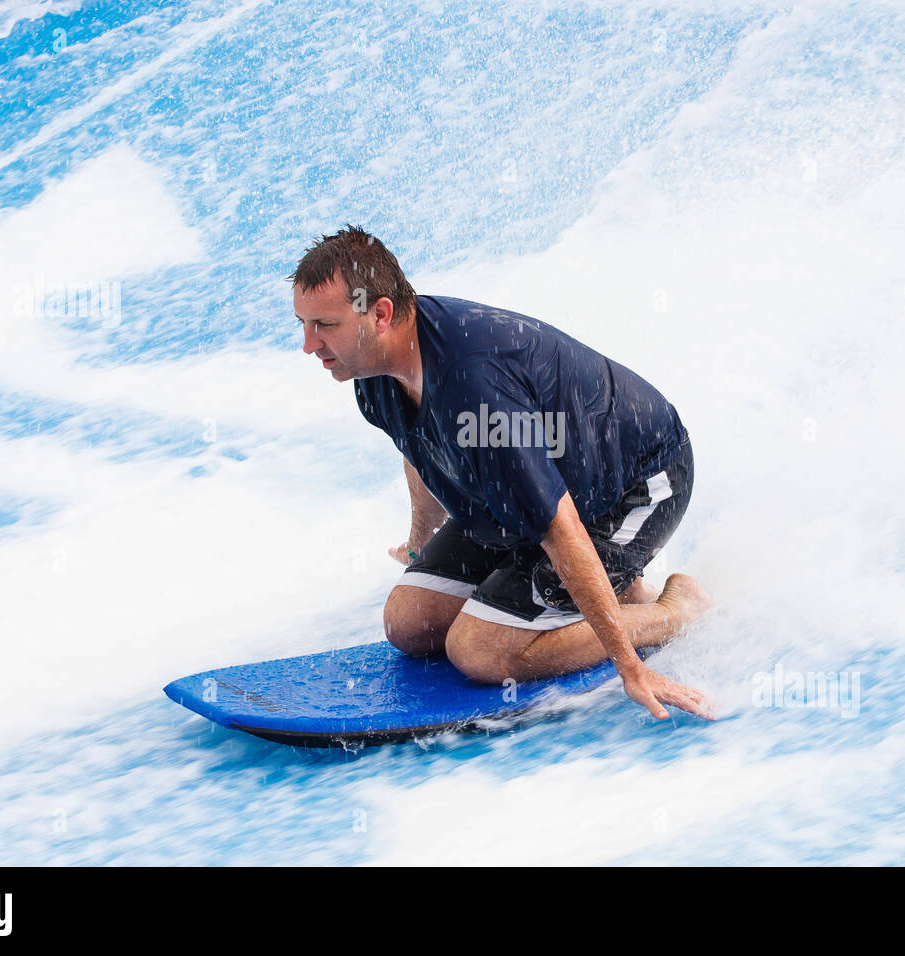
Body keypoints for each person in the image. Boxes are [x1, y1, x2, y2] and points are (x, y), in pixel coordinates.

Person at [290, 225, 714, 721]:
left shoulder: (478, 387)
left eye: (324, 324)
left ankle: (674, 608)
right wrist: (419, 540)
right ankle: (614, 588)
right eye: (303, 324)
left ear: (380, 313)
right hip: (535, 487)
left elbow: (561, 527)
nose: (308, 344)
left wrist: (630, 668)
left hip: (632, 486)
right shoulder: (378, 368)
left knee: (480, 651)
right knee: (408, 624)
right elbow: (420, 442)